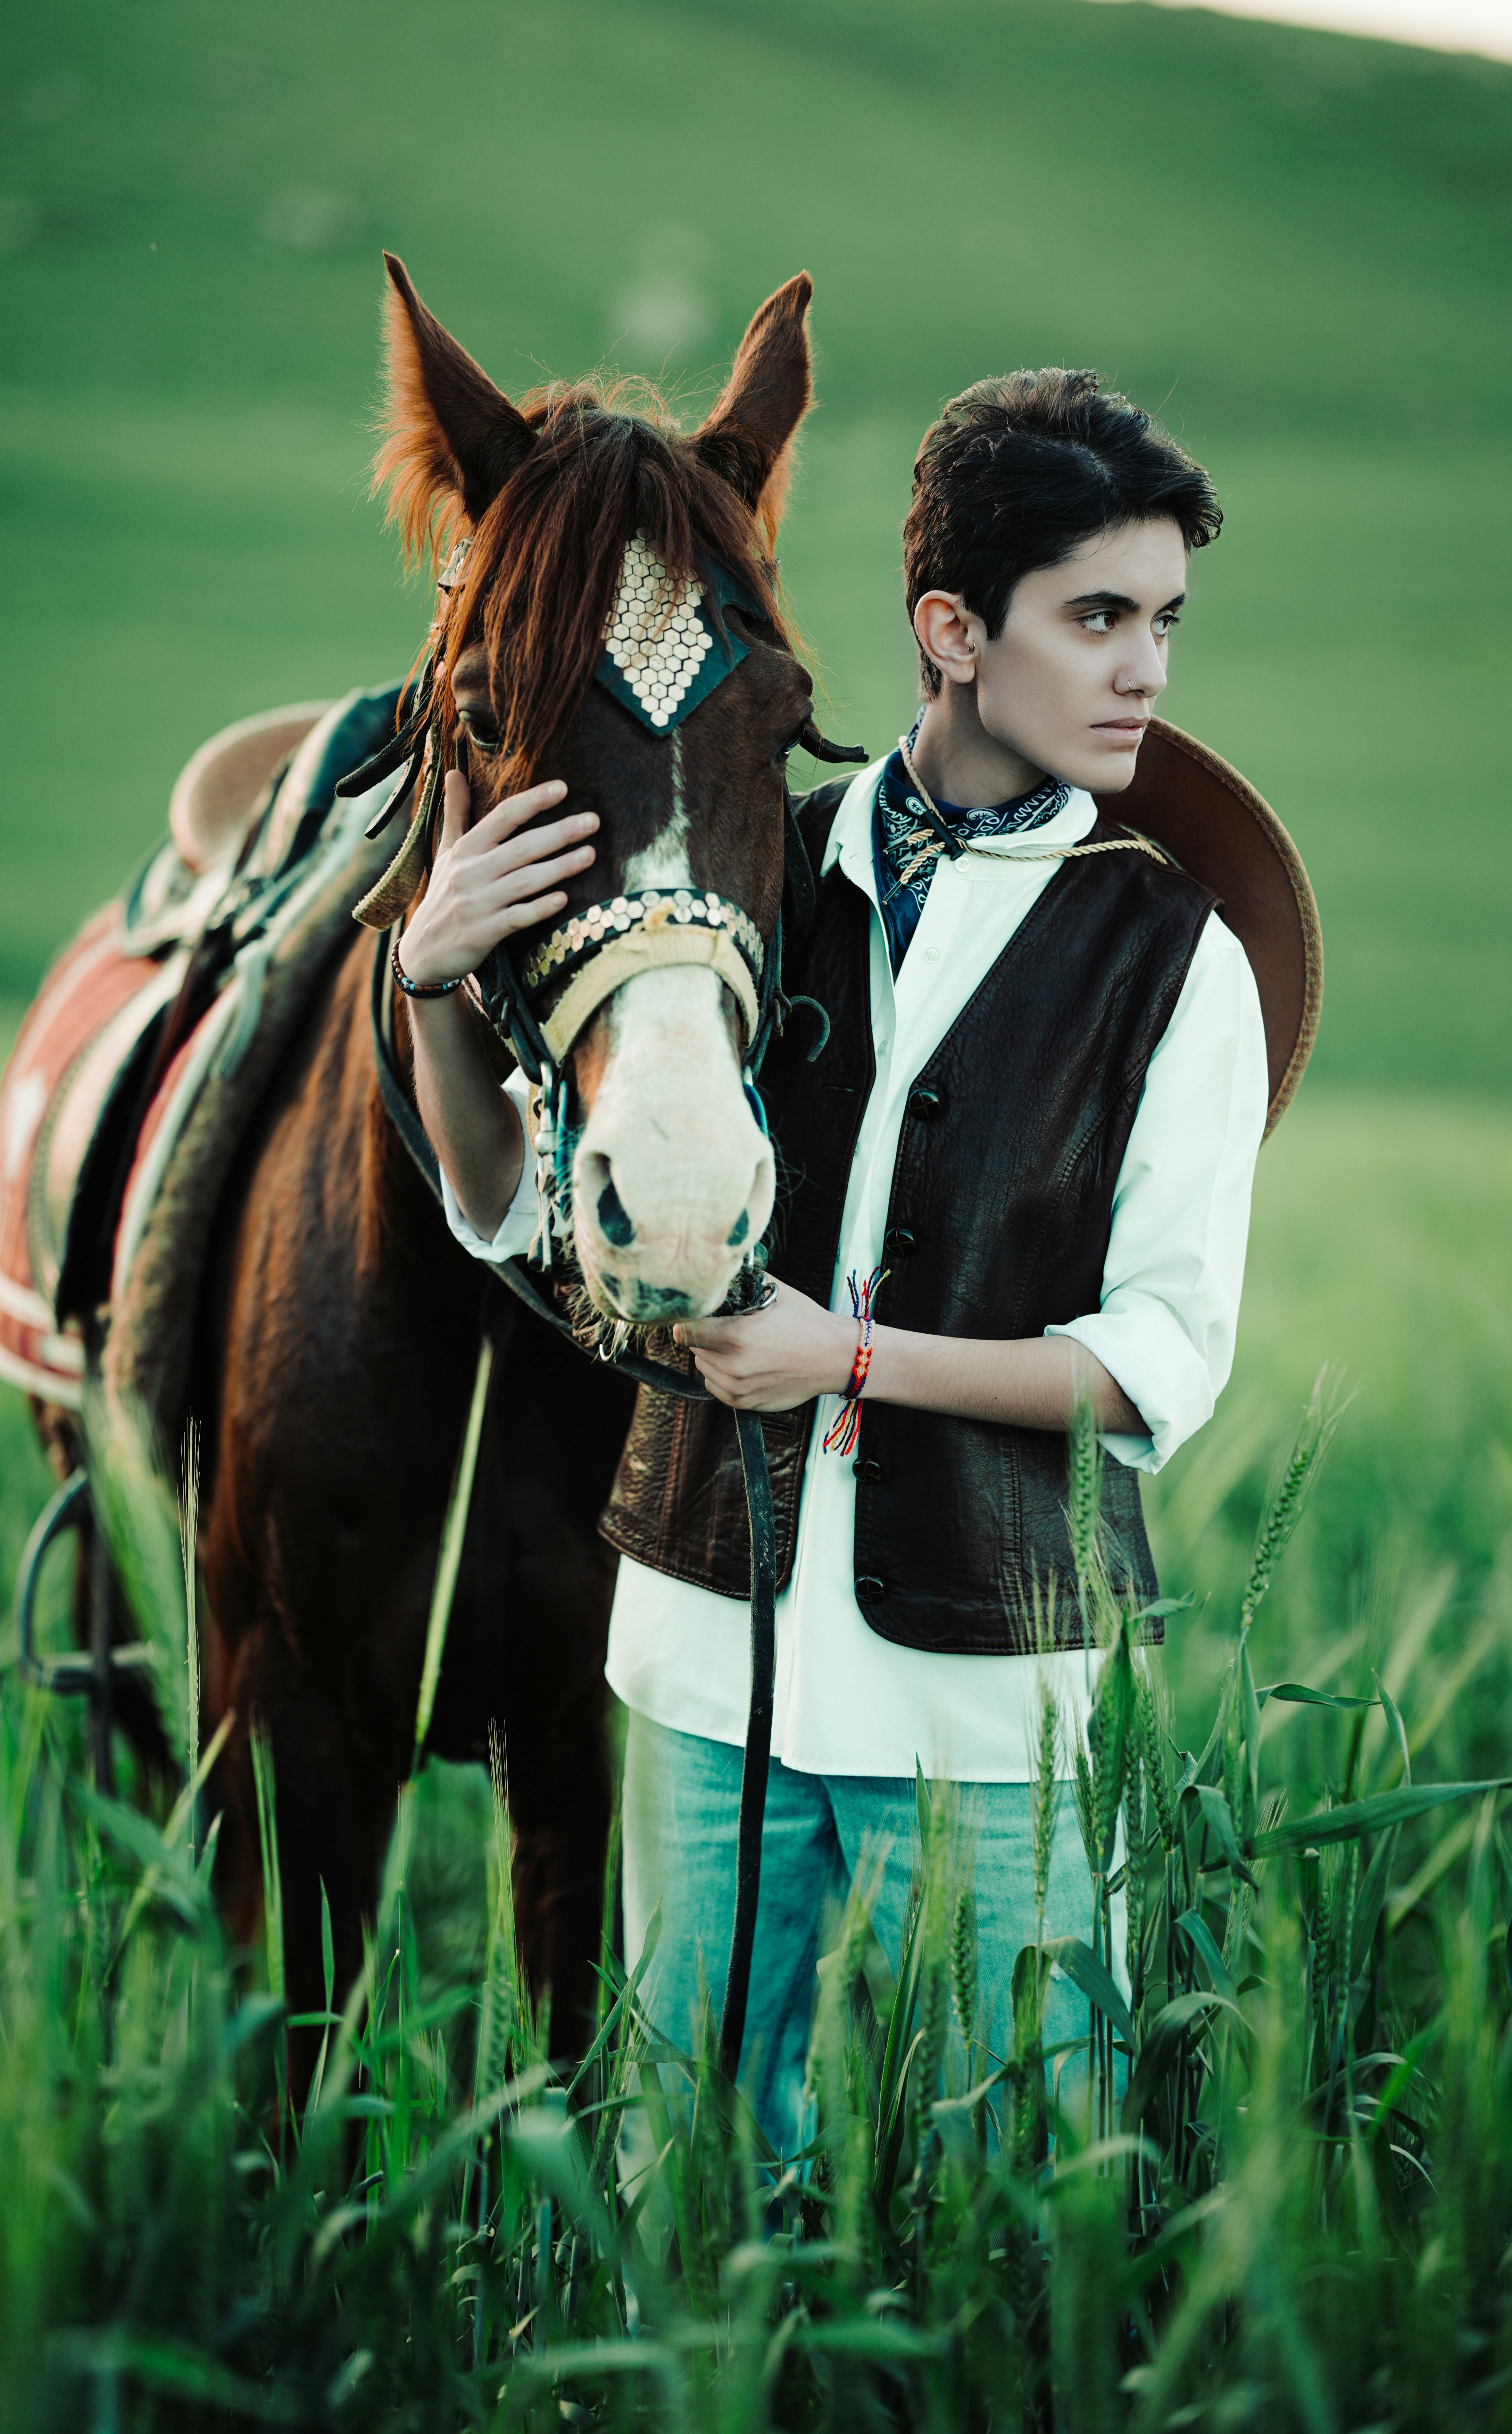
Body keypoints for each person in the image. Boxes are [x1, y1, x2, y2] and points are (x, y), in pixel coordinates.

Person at [396, 369, 1275, 2153]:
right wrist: (429, 990)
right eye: (1096, 617)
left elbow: (1153, 1362)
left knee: (1019, 2195)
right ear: (952, 632)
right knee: (676, 2182)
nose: (1144, 673)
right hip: (700, 1659)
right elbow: (523, 1214)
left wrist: (848, 1363)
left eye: (1162, 622)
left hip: (993, 1698)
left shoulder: (1180, 958)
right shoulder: (757, 867)